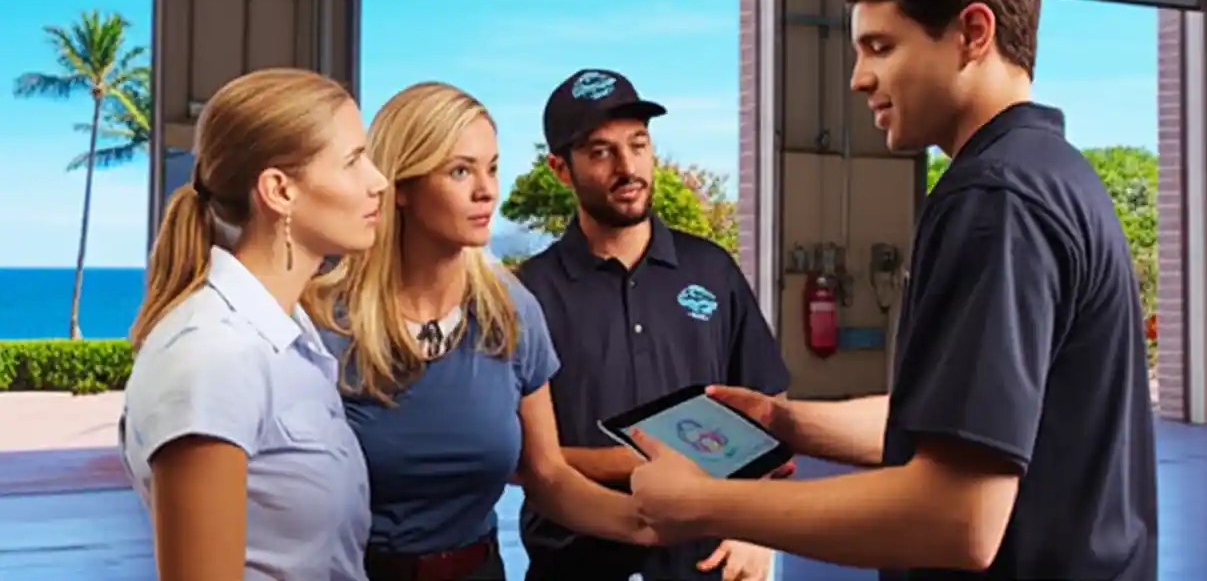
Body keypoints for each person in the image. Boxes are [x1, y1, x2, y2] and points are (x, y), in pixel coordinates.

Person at [624, 0, 1159, 581]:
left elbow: (957, 519)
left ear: (972, 33)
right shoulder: (1054, 174)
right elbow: (963, 425)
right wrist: (785, 422)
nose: (857, 78)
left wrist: (707, 504)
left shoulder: (996, 202)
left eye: (881, 47)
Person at [305, 81, 664, 581]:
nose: (487, 190)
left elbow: (547, 477)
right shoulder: (322, 322)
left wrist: (653, 523)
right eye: (460, 170)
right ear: (401, 187)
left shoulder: (510, 310)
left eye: (492, 168)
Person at [514, 69, 792, 581]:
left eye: (638, 145)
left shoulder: (712, 270)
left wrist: (756, 529)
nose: (627, 166)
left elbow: (770, 413)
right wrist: (638, 467)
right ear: (560, 169)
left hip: (710, 562)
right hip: (573, 564)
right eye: (600, 152)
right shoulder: (529, 294)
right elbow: (519, 458)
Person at [118, 68, 389, 580]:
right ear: (279, 190)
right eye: (354, 161)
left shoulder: (291, 334)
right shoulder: (213, 355)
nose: (378, 181)